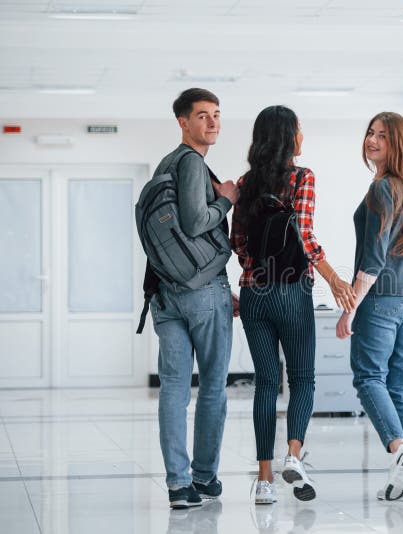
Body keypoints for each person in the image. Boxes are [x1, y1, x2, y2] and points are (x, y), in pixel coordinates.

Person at [231, 105, 356, 504]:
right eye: (300, 130)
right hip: (291, 291)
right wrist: (335, 278)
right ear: (289, 137)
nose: (304, 136)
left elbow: (236, 244)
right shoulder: (302, 177)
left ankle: (265, 480)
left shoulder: (247, 183)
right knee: (301, 379)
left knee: (266, 383)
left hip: (253, 293)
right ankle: (294, 455)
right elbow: (304, 234)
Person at [336, 112, 403, 502]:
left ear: (398, 145)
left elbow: (373, 260)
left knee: (368, 377)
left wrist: (351, 307)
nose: (373, 141)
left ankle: (398, 448)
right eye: (370, 133)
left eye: (383, 136)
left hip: (384, 296)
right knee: (397, 382)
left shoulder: (382, 190)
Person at [151, 88, 240, 509]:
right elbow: (195, 221)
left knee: (173, 388)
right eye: (202, 116)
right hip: (203, 292)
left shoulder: (165, 165)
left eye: (217, 114)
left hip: (164, 293)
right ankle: (202, 478)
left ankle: (177, 485)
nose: (213, 122)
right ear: (183, 123)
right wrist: (226, 198)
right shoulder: (190, 163)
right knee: (212, 388)